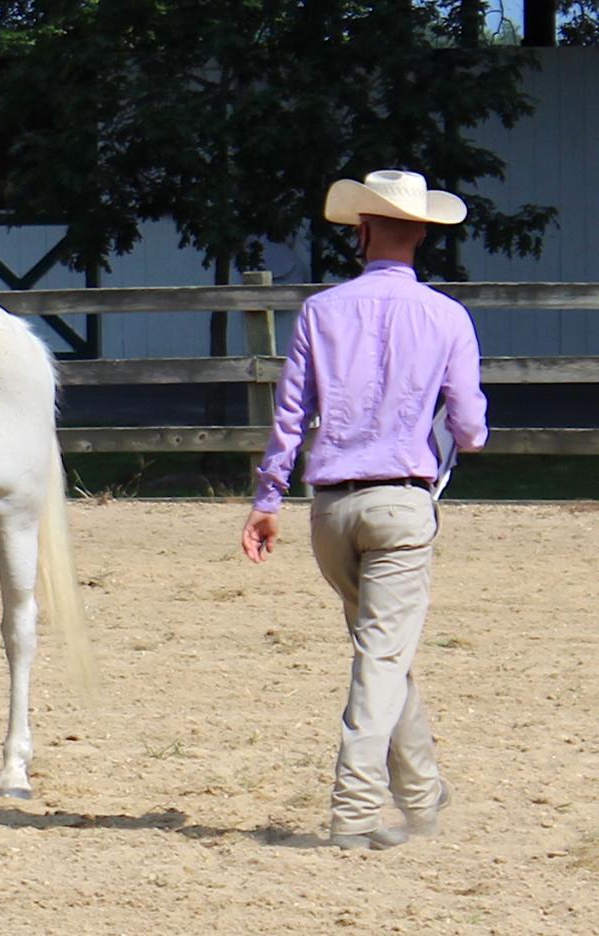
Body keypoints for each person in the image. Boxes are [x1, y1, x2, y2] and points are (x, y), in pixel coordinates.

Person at [240, 169, 489, 850]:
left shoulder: (322, 311)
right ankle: (353, 810)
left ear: (364, 229)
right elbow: (468, 428)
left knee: (384, 652)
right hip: (403, 504)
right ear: (423, 234)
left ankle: (422, 795)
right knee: (381, 658)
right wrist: (468, 429)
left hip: (331, 509)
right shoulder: (447, 317)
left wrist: (267, 499)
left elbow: (291, 414)